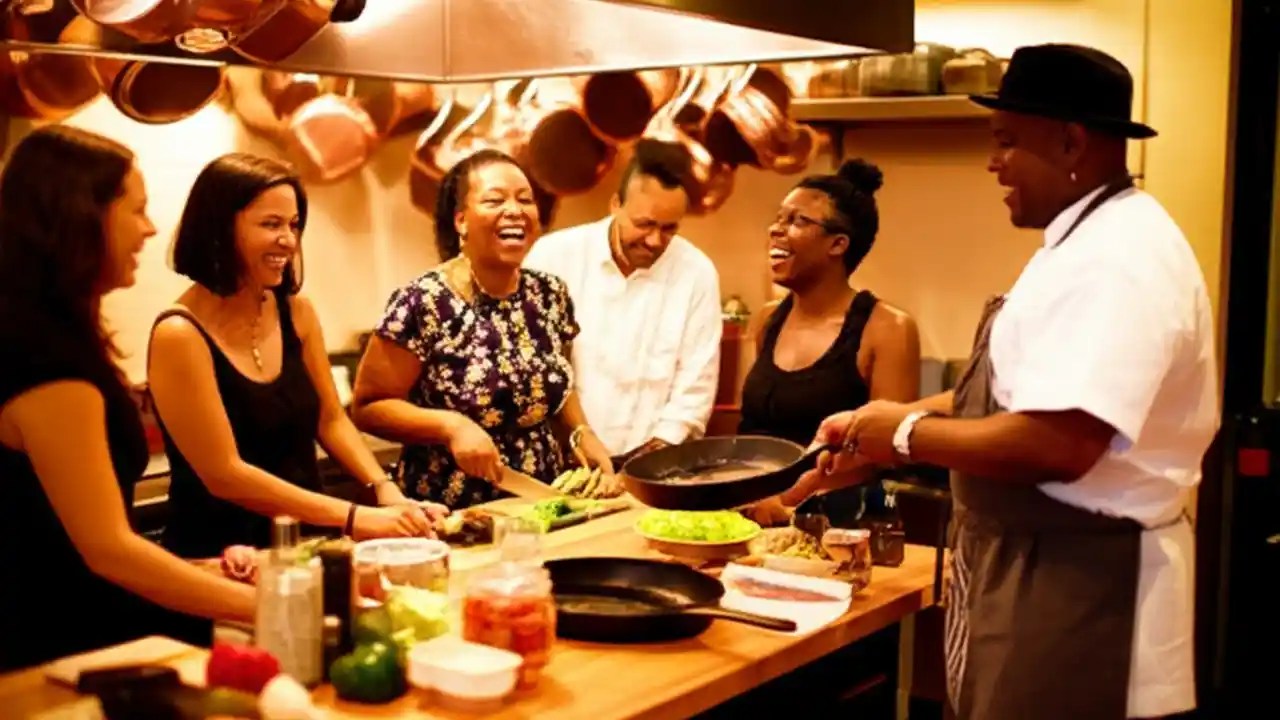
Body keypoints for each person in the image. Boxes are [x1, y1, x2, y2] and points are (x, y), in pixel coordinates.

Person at [795, 45, 1218, 720]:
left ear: (1071, 141)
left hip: (1082, 585)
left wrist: (904, 434)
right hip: (1037, 567)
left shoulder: (1117, 259)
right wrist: (883, 420)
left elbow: (1060, 443)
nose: (993, 163)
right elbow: (1017, 391)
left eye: (1006, 141)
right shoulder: (1080, 242)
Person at [0, 127, 254, 670]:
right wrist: (273, 604)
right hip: (61, 648)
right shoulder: (49, 365)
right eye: (137, 210)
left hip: (81, 628)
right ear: (81, 216)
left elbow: (65, 536)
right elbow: (107, 551)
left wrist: (204, 571)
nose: (150, 228)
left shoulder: (48, 335)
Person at [147, 153, 445, 560]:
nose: (288, 240)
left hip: (306, 545)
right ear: (219, 226)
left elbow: (330, 419)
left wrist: (387, 492)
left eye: (294, 224)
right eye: (271, 224)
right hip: (222, 558)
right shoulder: (179, 334)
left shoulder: (297, 312)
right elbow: (224, 474)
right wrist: (354, 517)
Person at [352, 149, 615, 508]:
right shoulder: (423, 302)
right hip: (452, 508)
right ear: (461, 221)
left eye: (525, 200)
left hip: (543, 501)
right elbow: (369, 407)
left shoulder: (549, 294)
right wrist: (451, 427)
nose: (515, 210)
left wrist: (581, 432)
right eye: (495, 200)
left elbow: (554, 379)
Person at [739, 158, 920, 526]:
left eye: (797, 221)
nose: (776, 229)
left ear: (837, 244)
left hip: (838, 523)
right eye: (778, 218)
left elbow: (886, 450)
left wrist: (791, 497)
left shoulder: (887, 328)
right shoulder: (767, 320)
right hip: (751, 514)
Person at [523, 139, 722, 466]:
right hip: (558, 456)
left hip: (653, 462)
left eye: (669, 229)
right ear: (616, 204)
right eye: (644, 224)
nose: (654, 240)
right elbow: (534, 363)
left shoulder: (696, 273)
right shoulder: (553, 256)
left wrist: (648, 462)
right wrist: (577, 440)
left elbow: (695, 389)